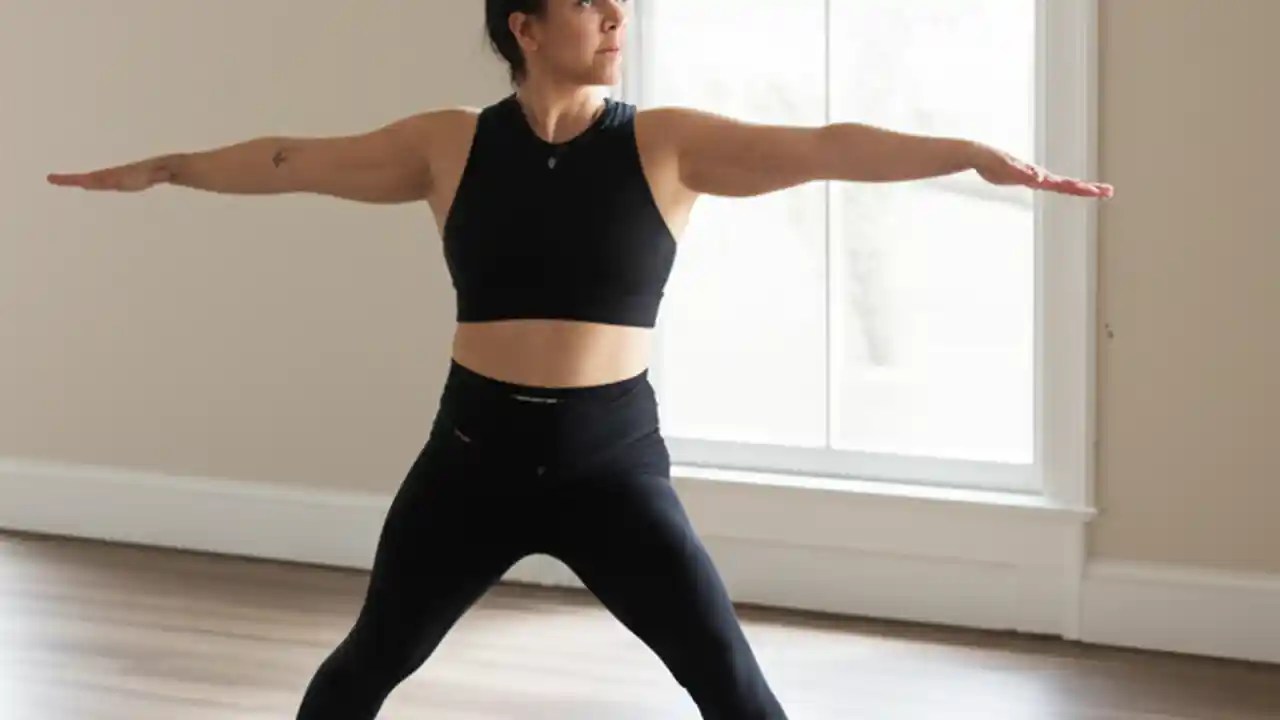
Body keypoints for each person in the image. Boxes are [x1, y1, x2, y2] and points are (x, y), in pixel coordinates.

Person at [47, 1, 1114, 717]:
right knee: (367, 665)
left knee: (732, 688)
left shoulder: (667, 143)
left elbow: (826, 145)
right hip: (470, 458)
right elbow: (290, 159)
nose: (615, 17)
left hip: (612, 467)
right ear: (523, 25)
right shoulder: (448, 142)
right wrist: (167, 168)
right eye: (587, 1)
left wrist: (970, 155)